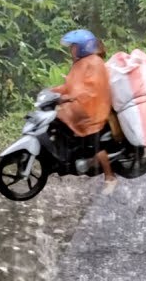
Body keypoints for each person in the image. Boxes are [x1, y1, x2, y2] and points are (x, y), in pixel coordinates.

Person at [52, 29, 117, 194]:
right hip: (80, 106)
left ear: (83, 47)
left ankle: (110, 178)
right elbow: (70, 85)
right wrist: (54, 92)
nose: (71, 50)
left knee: (93, 143)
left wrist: (70, 97)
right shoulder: (80, 63)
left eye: (73, 47)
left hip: (93, 110)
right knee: (57, 121)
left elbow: (92, 89)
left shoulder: (95, 63)